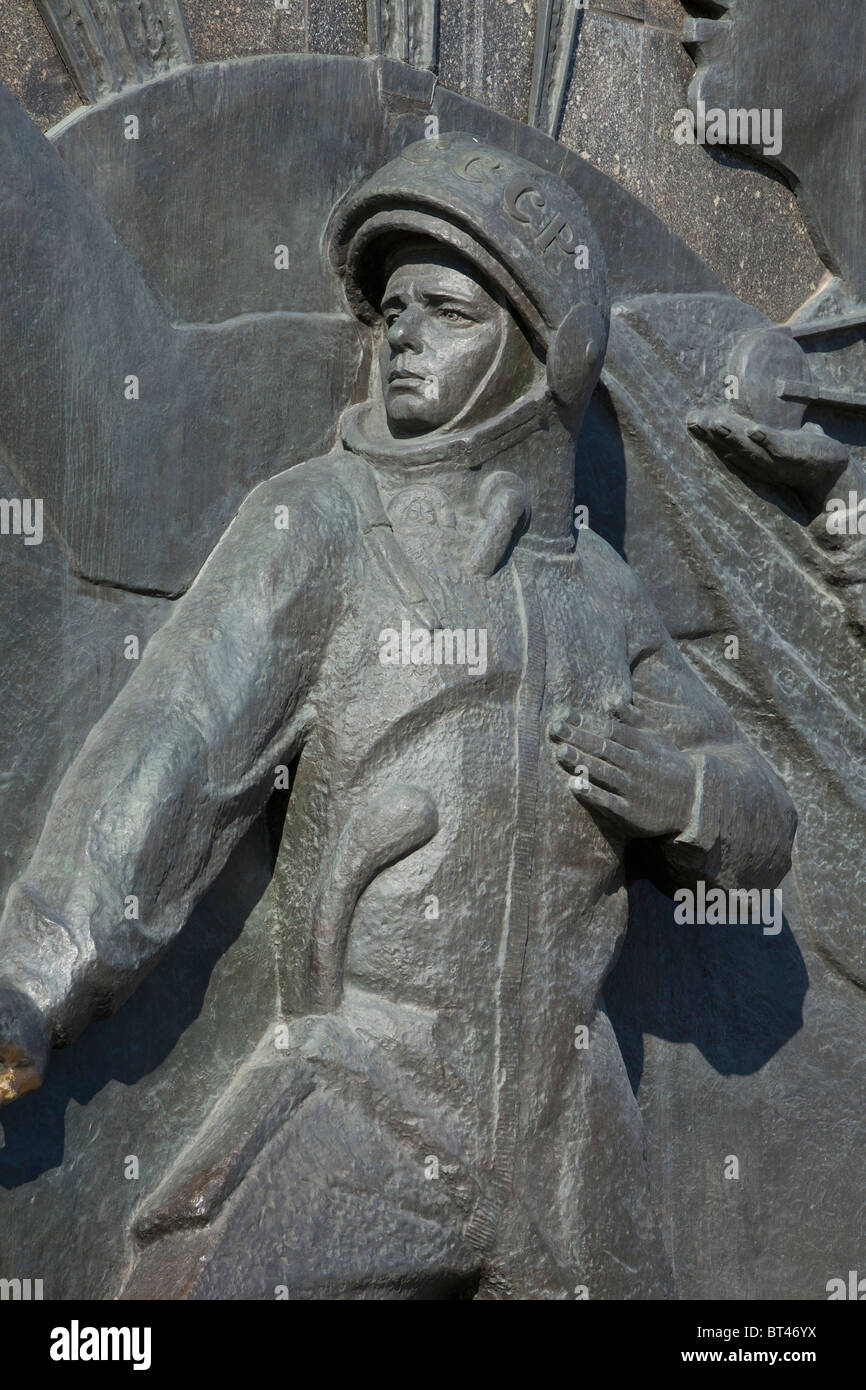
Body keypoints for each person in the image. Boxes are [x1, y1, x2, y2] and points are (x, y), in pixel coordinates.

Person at [0, 134, 795, 1298]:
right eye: (391, 309)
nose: (400, 336)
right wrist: (33, 979)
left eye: (445, 309)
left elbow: (763, 827)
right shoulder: (316, 523)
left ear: (541, 350)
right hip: (374, 1077)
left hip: (563, 1114)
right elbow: (170, 750)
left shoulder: (597, 589)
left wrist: (687, 799)